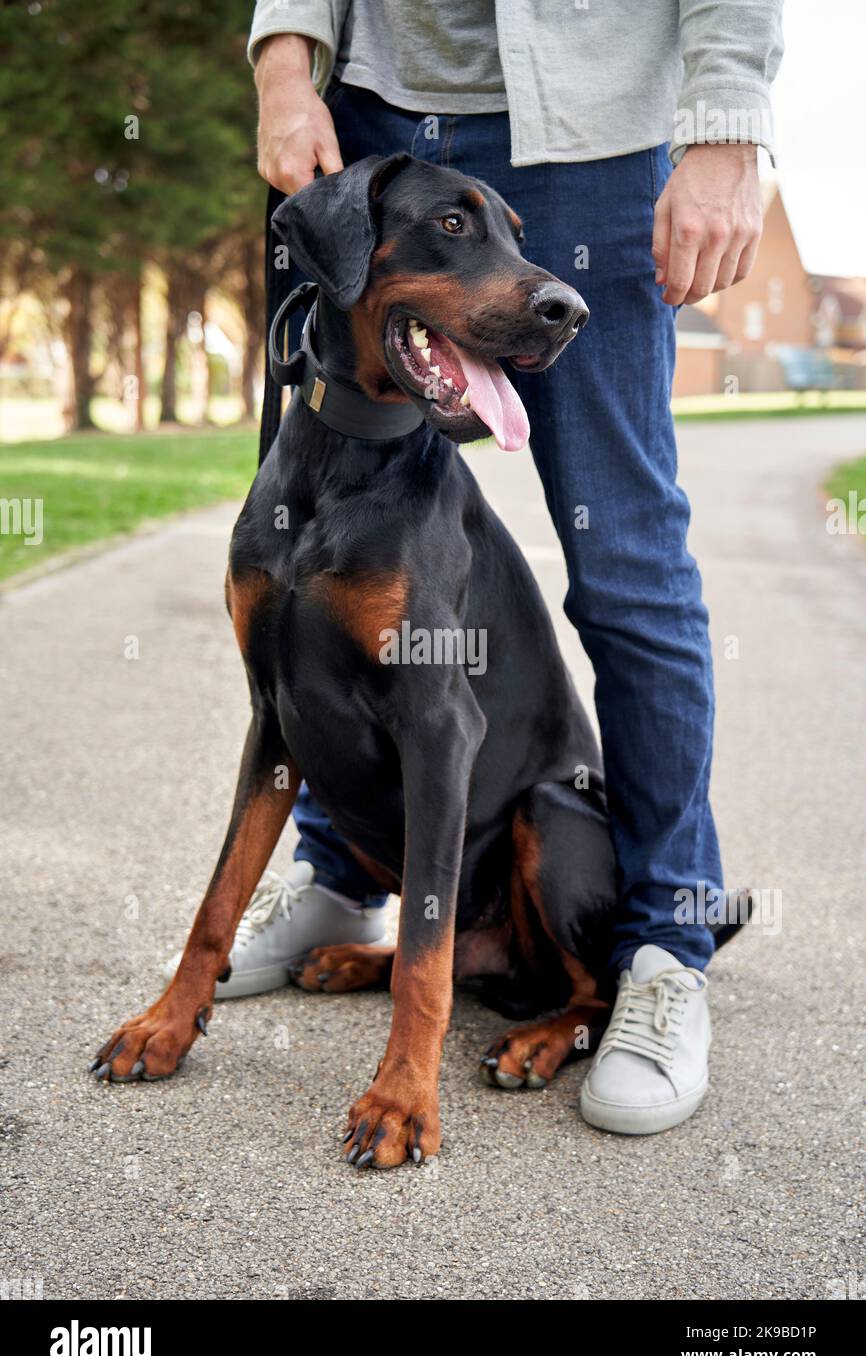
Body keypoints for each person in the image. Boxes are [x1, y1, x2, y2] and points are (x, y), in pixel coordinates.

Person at [165, 0, 783, 1134]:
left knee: (625, 562)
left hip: (584, 130)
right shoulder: (350, 210)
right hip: (362, 107)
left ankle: (654, 952)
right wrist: (284, 66)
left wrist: (727, 125)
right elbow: (283, 714)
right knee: (308, 590)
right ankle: (346, 891)